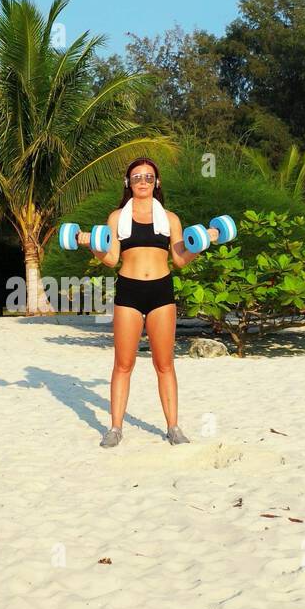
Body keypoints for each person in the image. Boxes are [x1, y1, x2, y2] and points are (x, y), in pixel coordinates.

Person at [76, 157, 220, 447]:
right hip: (128, 291)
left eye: (148, 177)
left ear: (157, 182)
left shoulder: (171, 219)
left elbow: (180, 259)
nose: (143, 181)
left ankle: (173, 428)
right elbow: (112, 259)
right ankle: (115, 428)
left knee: (164, 364)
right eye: (137, 177)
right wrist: (90, 244)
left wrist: (203, 242)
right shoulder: (117, 218)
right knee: (123, 363)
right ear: (128, 182)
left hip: (161, 292)